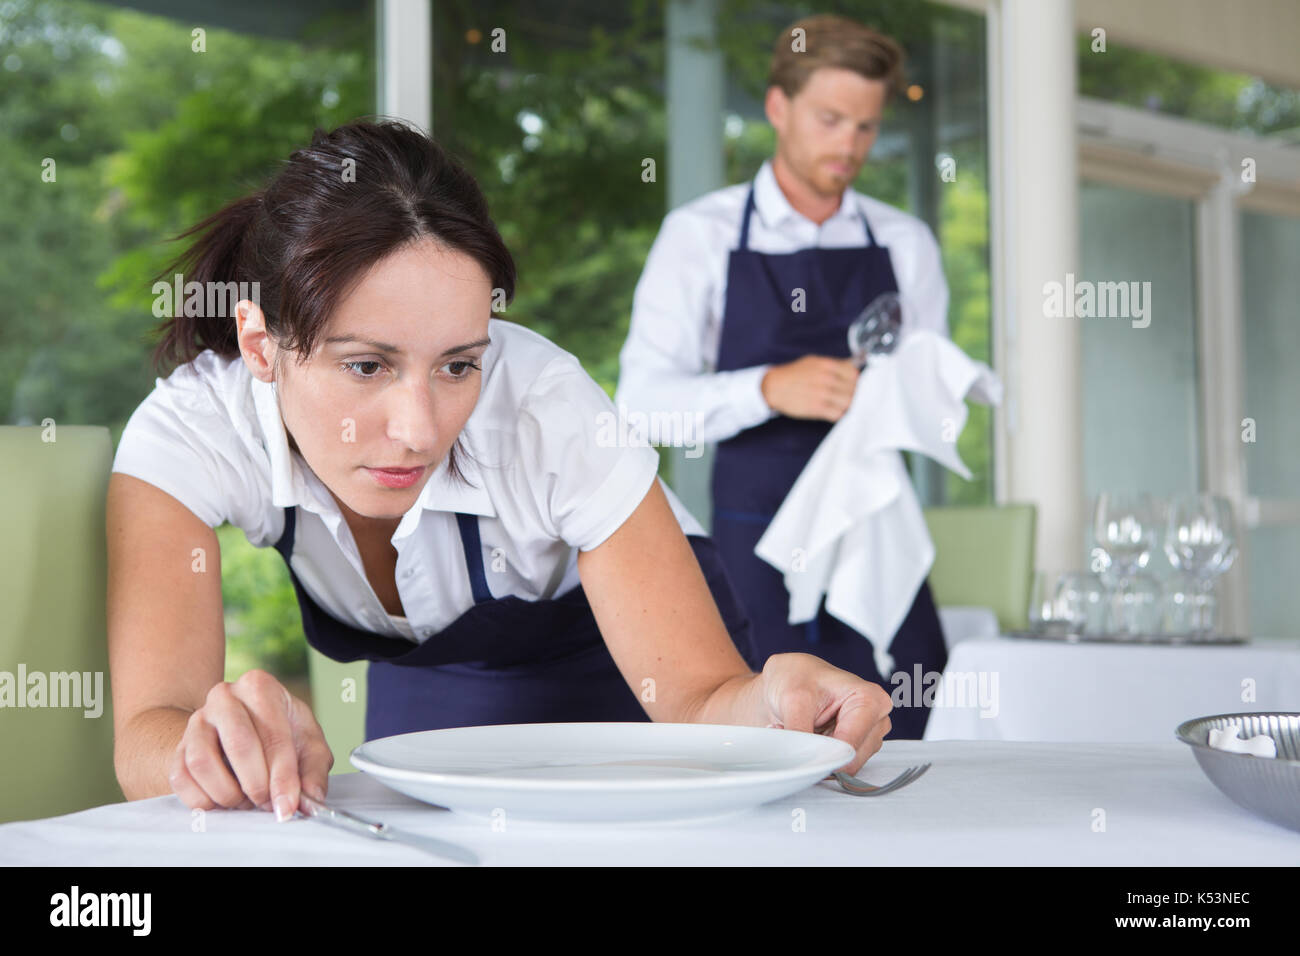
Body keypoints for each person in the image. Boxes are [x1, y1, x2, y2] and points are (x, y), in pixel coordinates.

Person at [106, 118, 894, 822]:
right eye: (367, 366)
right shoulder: (193, 432)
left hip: (628, 682)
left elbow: (699, 700)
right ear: (258, 344)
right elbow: (150, 728)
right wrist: (210, 744)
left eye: (457, 365)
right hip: (438, 682)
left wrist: (777, 708)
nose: (419, 431)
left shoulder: (547, 414)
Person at [615, 15, 949, 738]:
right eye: (831, 119)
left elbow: (932, 404)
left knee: (911, 704)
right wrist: (765, 388)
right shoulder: (698, 235)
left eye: (865, 126)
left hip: (874, 534)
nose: (848, 145)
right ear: (777, 107)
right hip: (753, 545)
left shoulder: (904, 243)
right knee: (763, 729)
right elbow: (639, 407)